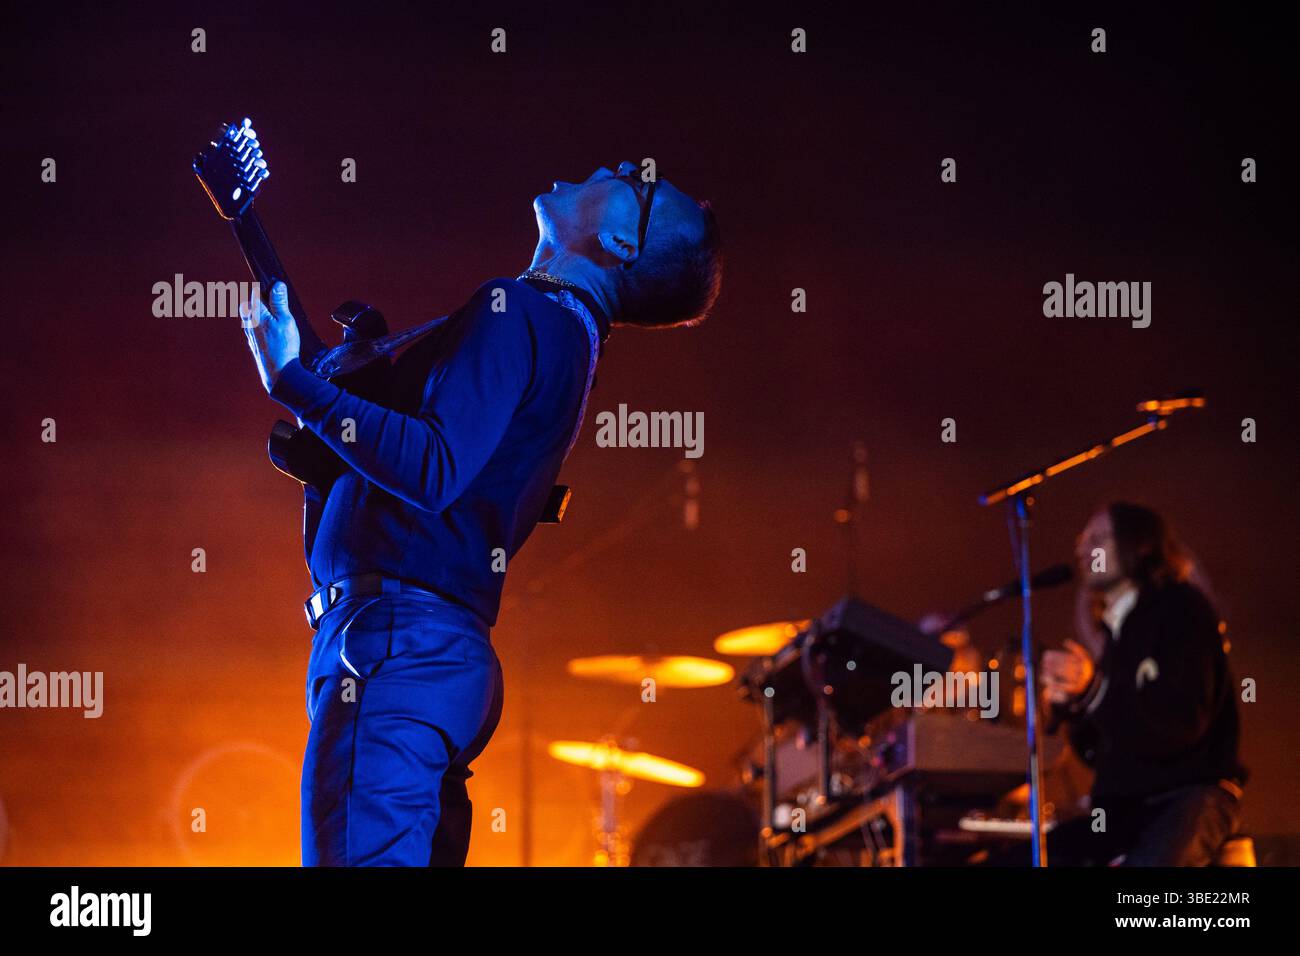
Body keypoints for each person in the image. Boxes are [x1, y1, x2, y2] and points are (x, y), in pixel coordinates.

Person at [239, 161, 722, 865]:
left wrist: (294, 384)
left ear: (622, 246)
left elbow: (434, 469)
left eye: (640, 190)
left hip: (400, 648)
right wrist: (354, 387)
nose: (621, 169)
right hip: (430, 652)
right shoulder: (561, 335)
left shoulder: (521, 312)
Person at [1039, 502, 1246, 865]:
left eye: (1099, 538)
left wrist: (1093, 692)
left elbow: (1179, 725)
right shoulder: (1116, 636)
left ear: (1141, 544)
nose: (1083, 549)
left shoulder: (1182, 609)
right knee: (1030, 857)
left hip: (1189, 797)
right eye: (1081, 540)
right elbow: (1107, 750)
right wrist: (1074, 706)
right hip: (1124, 811)